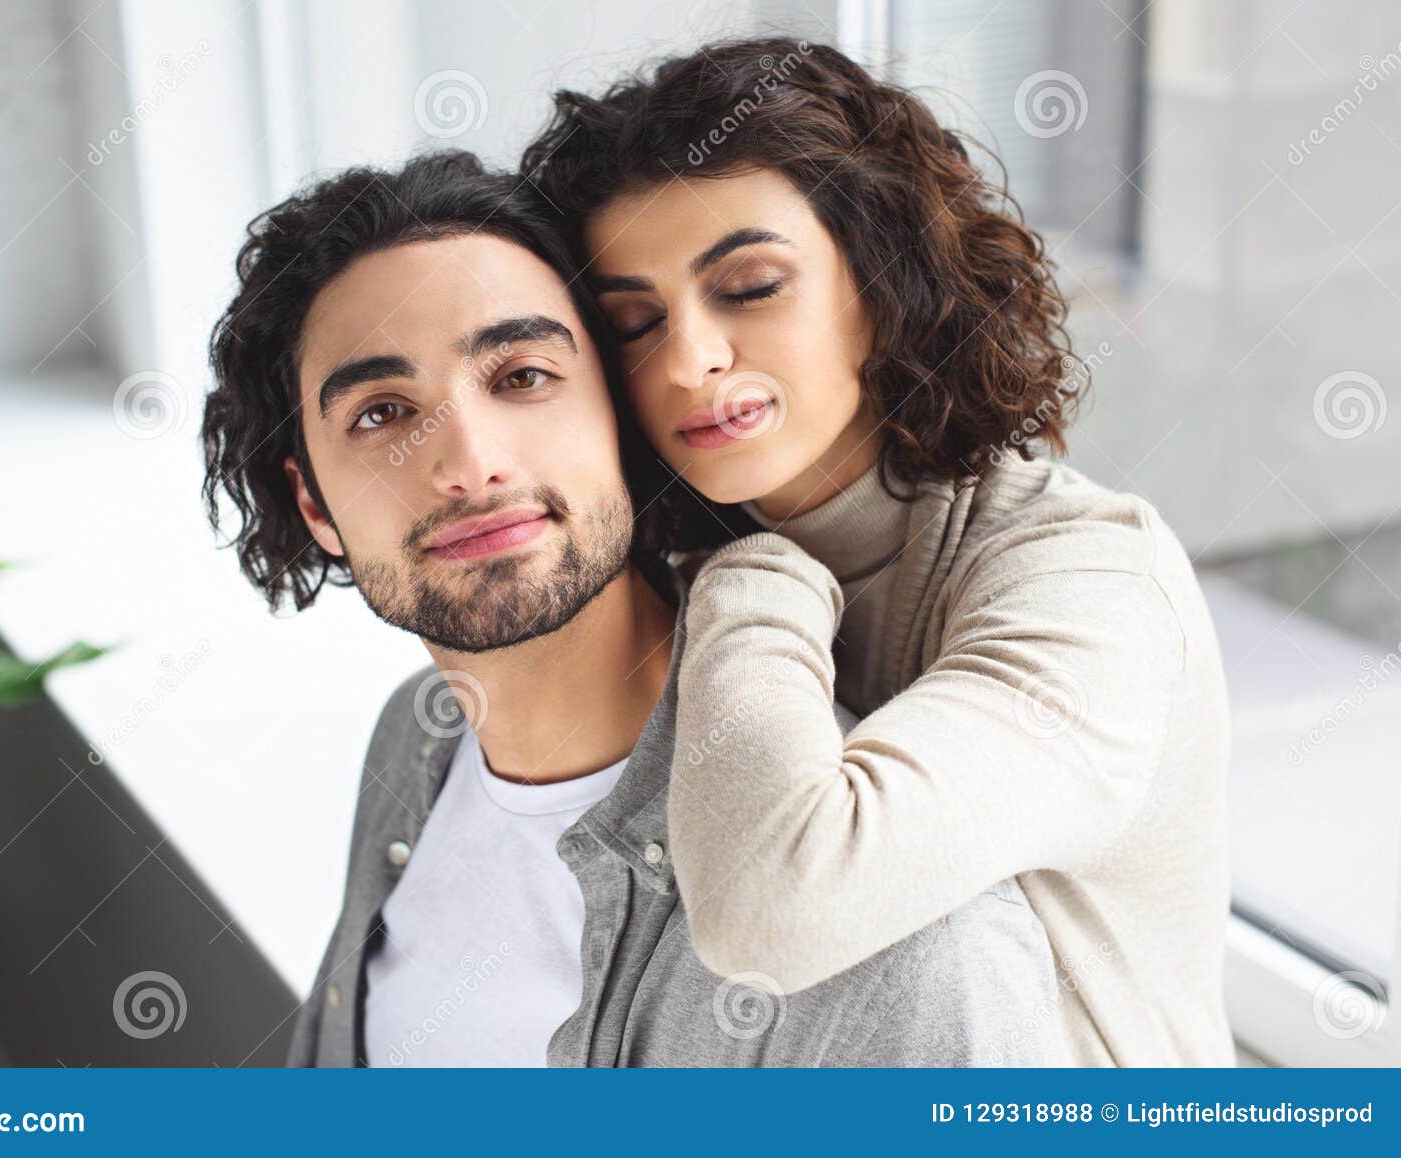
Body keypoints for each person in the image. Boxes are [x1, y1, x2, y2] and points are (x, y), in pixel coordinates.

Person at [200, 152, 1062, 1067]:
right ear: (313, 505)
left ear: (620, 413)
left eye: (522, 376)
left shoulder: (899, 952)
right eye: (381, 414)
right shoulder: (416, 740)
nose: (471, 463)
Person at [520, 37, 1234, 1066]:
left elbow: (775, 912)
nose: (688, 361)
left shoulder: (1090, 576)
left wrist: (748, 577)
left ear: (882, 283)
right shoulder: (670, 577)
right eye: (633, 322)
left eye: (749, 286)